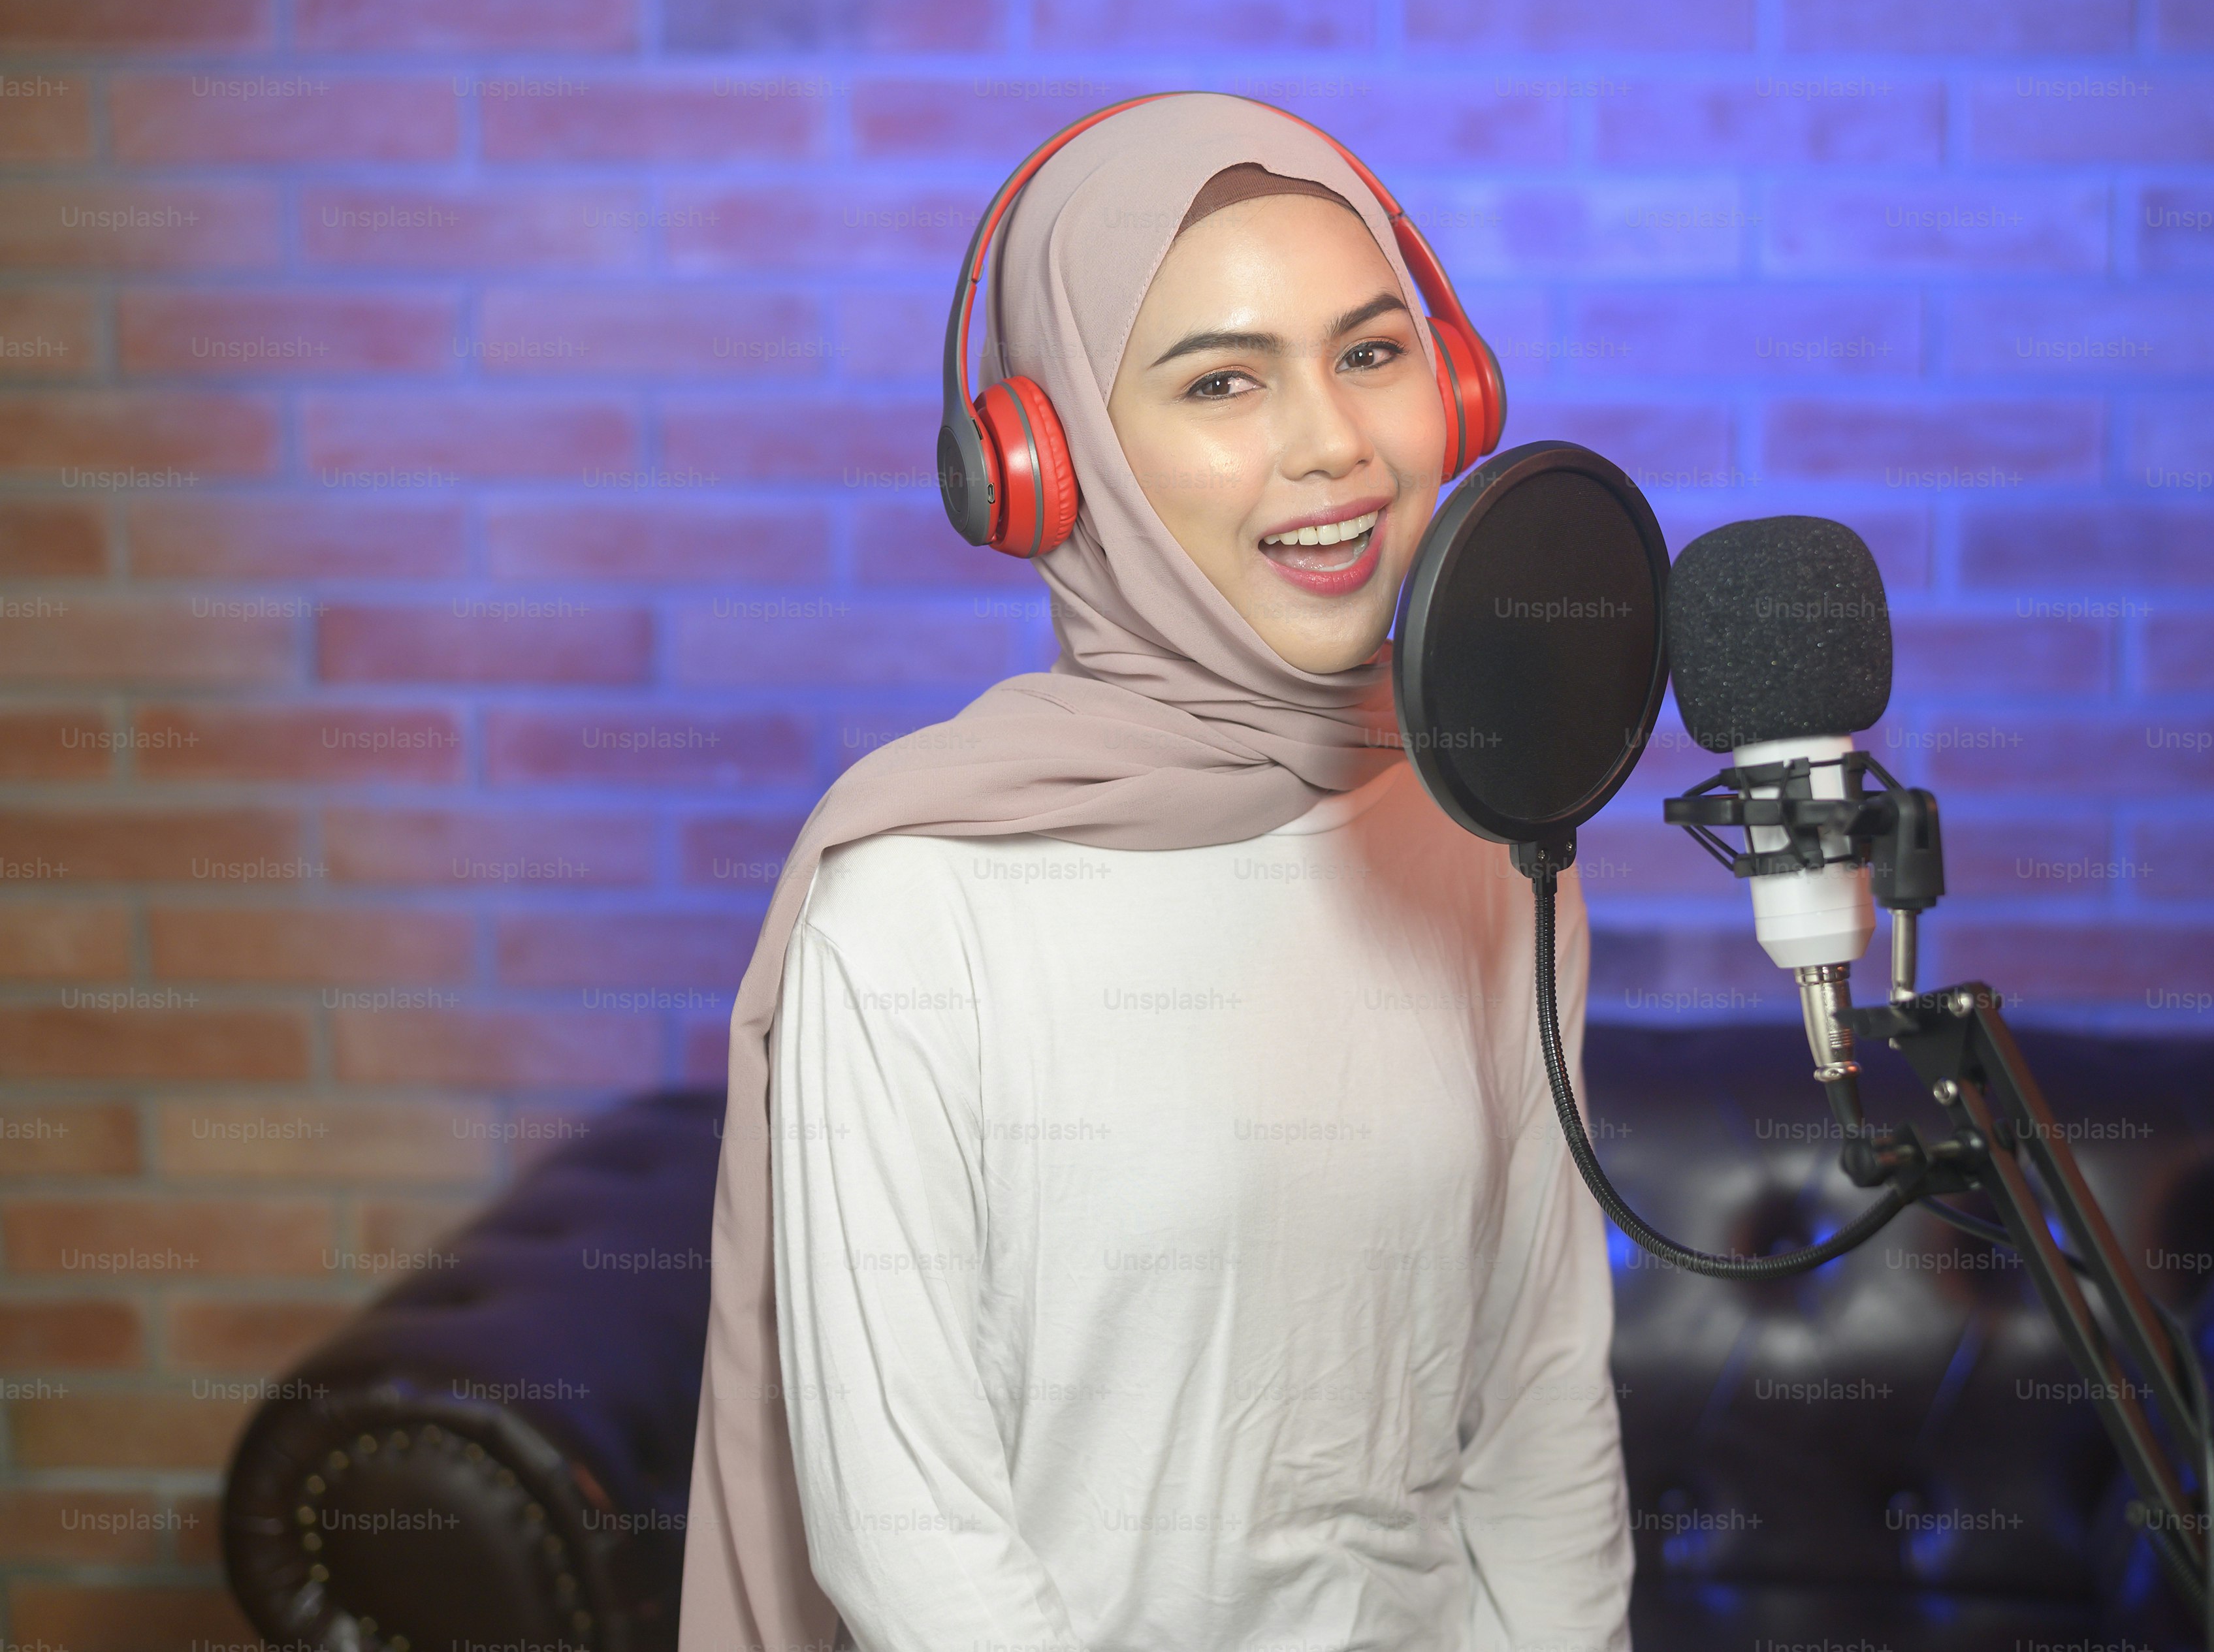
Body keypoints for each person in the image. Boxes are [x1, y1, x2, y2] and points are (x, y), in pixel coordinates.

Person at [679, 91, 1633, 1652]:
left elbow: (1535, 1389)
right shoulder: (915, 909)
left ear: (1456, 390)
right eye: (1220, 381)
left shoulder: (1485, 827)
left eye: (1373, 352)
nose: (1330, 443)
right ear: (1050, 465)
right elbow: (914, 1543)